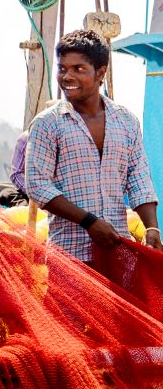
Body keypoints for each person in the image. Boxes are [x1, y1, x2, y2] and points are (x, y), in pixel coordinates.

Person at [26, 29, 160, 262]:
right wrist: (89, 222)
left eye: (78, 69)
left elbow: (139, 180)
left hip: (118, 252)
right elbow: (37, 186)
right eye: (62, 68)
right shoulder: (47, 123)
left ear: (101, 72)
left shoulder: (126, 120)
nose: (67, 76)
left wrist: (152, 228)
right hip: (68, 255)